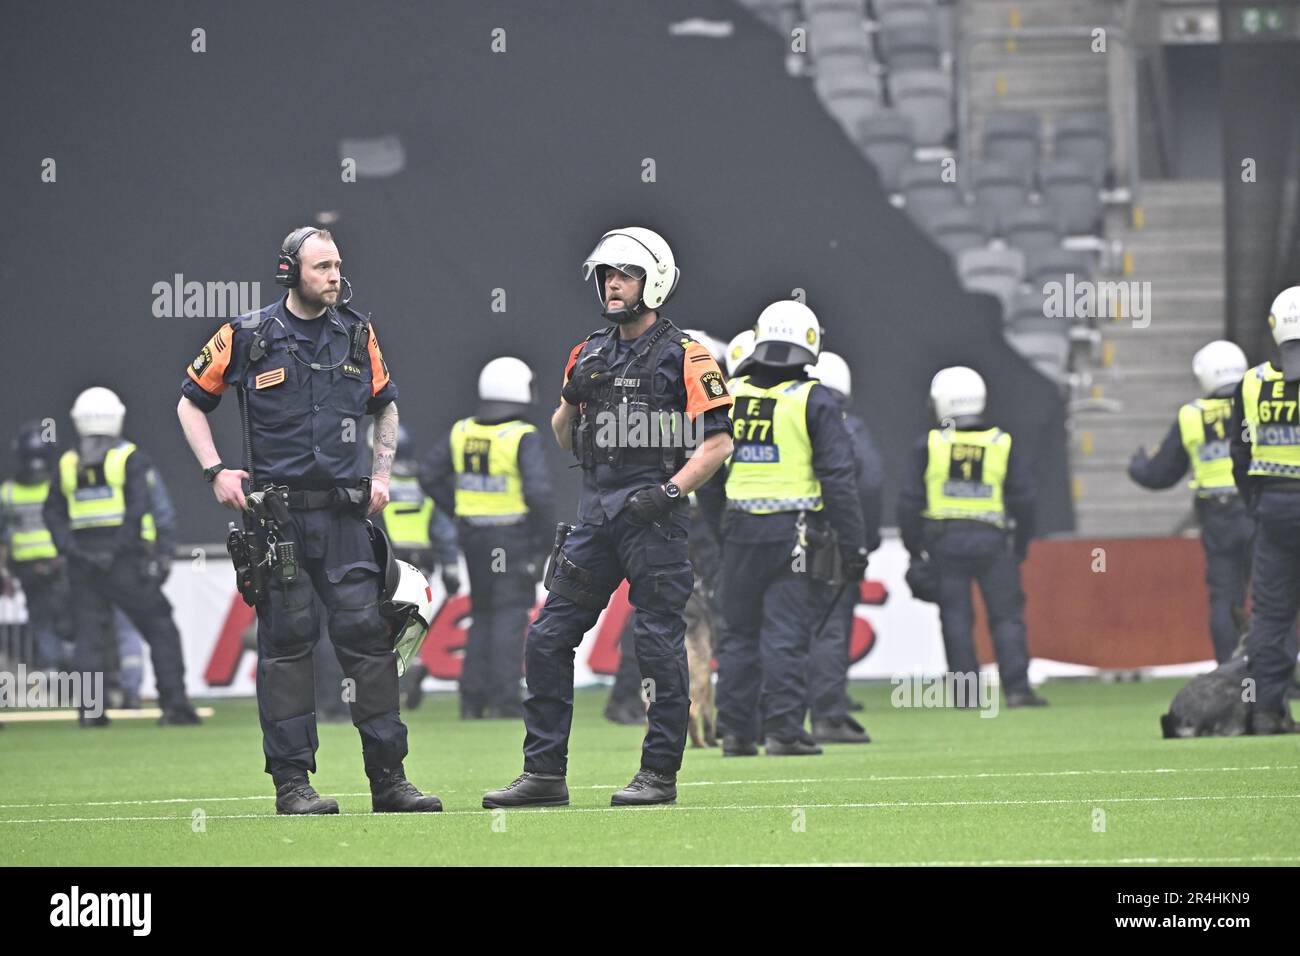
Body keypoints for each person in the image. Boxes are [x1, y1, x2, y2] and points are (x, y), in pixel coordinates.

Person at [176, 226, 441, 813]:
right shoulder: (246, 335)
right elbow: (190, 401)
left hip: (346, 516)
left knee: (370, 645)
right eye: (322, 267)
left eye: (338, 266)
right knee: (288, 648)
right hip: (279, 521)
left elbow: (386, 403)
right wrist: (215, 471)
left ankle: (390, 782)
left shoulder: (357, 334)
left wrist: (381, 475)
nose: (334, 276)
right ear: (290, 272)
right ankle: (293, 785)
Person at [482, 226, 734, 809]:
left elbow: (717, 445)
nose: (612, 284)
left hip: (656, 519)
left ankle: (658, 776)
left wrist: (669, 493)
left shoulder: (687, 355)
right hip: (596, 515)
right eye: (606, 275)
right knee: (547, 639)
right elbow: (562, 434)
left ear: (655, 282)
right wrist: (574, 395)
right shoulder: (587, 350)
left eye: (623, 274)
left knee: (656, 643)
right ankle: (543, 774)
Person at [702, 302, 866, 757]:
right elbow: (838, 479)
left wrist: (724, 530)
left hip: (738, 532)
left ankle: (736, 733)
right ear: (810, 344)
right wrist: (854, 547)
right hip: (794, 536)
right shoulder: (815, 400)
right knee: (785, 635)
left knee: (737, 635)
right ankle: (784, 732)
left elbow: (709, 474)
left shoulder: (729, 392)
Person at [44, 388, 201, 726]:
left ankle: (90, 712)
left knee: (89, 637)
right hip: (125, 561)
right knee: (160, 627)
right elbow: (140, 507)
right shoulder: (130, 458)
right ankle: (174, 706)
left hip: (82, 563)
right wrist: (130, 552)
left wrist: (71, 550)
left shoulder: (67, 463)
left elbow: (52, 512)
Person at [897, 367, 1046, 708]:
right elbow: (1024, 499)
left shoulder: (931, 445)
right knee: (1006, 616)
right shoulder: (1001, 444)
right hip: (993, 542)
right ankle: (1018, 690)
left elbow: (909, 500)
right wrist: (1020, 543)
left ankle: (966, 695)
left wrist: (914, 545)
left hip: (944, 543)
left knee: (956, 619)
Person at [421, 356, 555, 719]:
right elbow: (539, 494)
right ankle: (504, 699)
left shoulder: (462, 430)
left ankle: (472, 699)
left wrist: (458, 512)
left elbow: (430, 475)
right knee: (510, 615)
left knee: (482, 613)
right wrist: (545, 542)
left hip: (473, 536)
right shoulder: (521, 436)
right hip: (511, 537)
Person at [1129, 340, 1254, 664]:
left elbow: (1160, 474)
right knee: (1276, 593)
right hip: (1260, 509)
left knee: (1225, 598)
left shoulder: (1191, 417)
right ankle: (1284, 675)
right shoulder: (1259, 401)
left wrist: (1138, 464)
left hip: (1218, 517)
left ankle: (1229, 671)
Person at [1228, 286, 1300, 734]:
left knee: (1270, 614)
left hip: (1273, 509)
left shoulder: (1252, 383)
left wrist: (1255, 501)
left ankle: (1265, 711)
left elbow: (1240, 452)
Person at [804, 350, 883, 743]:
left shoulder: (785, 412)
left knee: (780, 626)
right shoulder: (849, 427)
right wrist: (862, 540)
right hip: (833, 540)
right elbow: (868, 485)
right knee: (831, 626)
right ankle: (828, 716)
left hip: (782, 534)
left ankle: (771, 717)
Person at [371, 422, 459, 710]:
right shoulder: (423, 481)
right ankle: (413, 664)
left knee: (379, 625)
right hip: (421, 565)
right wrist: (451, 567)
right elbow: (443, 529)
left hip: (387, 564)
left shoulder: (376, 484)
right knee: (410, 624)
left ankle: (386, 685)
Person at [0, 422, 71, 671]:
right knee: (62, 621)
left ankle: (56, 672)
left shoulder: (7, 492)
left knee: (45, 622)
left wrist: (5, 572)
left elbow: (4, 538)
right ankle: (67, 673)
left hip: (32, 567)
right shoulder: (60, 485)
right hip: (57, 565)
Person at [111, 464, 179, 709]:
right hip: (136, 560)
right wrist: (164, 555)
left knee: (93, 634)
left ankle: (92, 706)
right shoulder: (138, 466)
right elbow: (163, 514)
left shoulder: (73, 463)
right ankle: (168, 701)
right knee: (146, 629)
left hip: (89, 563)